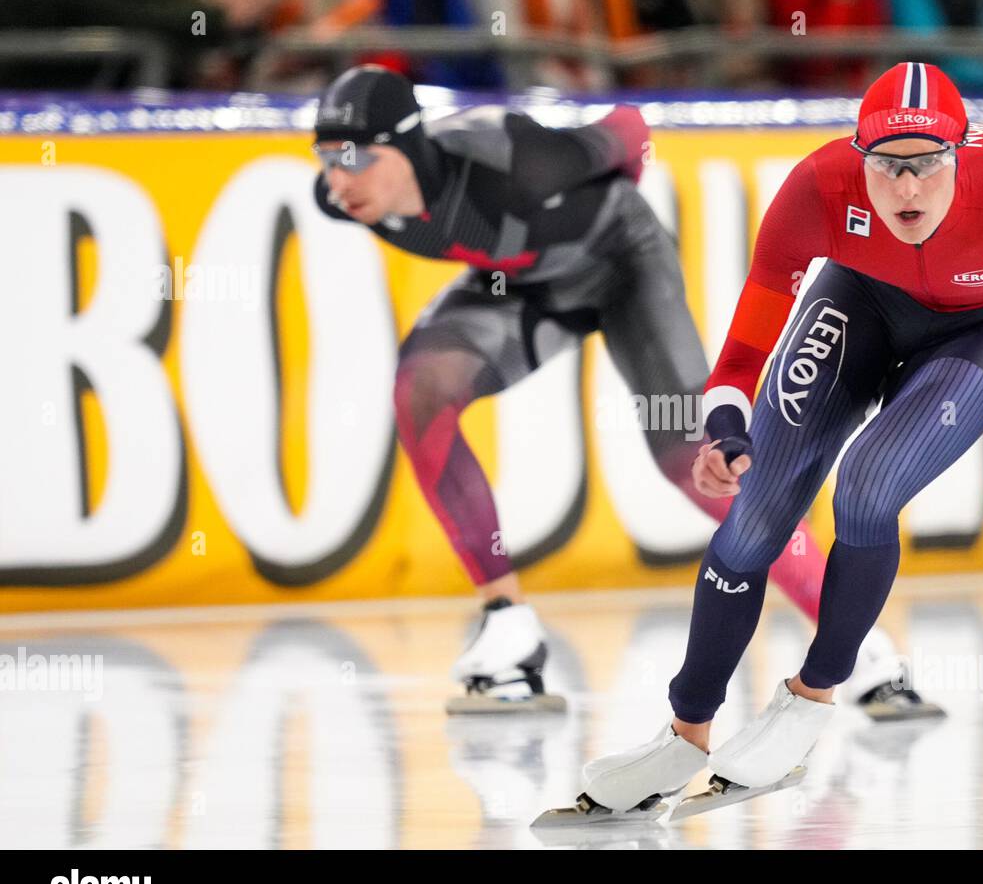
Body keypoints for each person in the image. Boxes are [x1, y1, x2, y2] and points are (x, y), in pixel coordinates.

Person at [562, 61, 983, 818]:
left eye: (927, 165)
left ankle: (809, 701)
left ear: (961, 153)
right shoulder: (816, 189)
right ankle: (684, 735)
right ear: (856, 155)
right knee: (755, 513)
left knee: (868, 484)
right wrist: (725, 427)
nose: (906, 189)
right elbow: (744, 347)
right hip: (864, 297)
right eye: (887, 166)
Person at [310, 65, 925, 714]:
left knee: (693, 461)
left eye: (352, 156)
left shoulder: (518, 163)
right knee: (421, 391)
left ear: (407, 143)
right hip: (527, 286)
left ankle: (861, 648)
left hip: (624, 263)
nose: (337, 177)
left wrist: (592, 213)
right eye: (325, 157)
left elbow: (630, 131)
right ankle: (509, 628)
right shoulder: (347, 196)